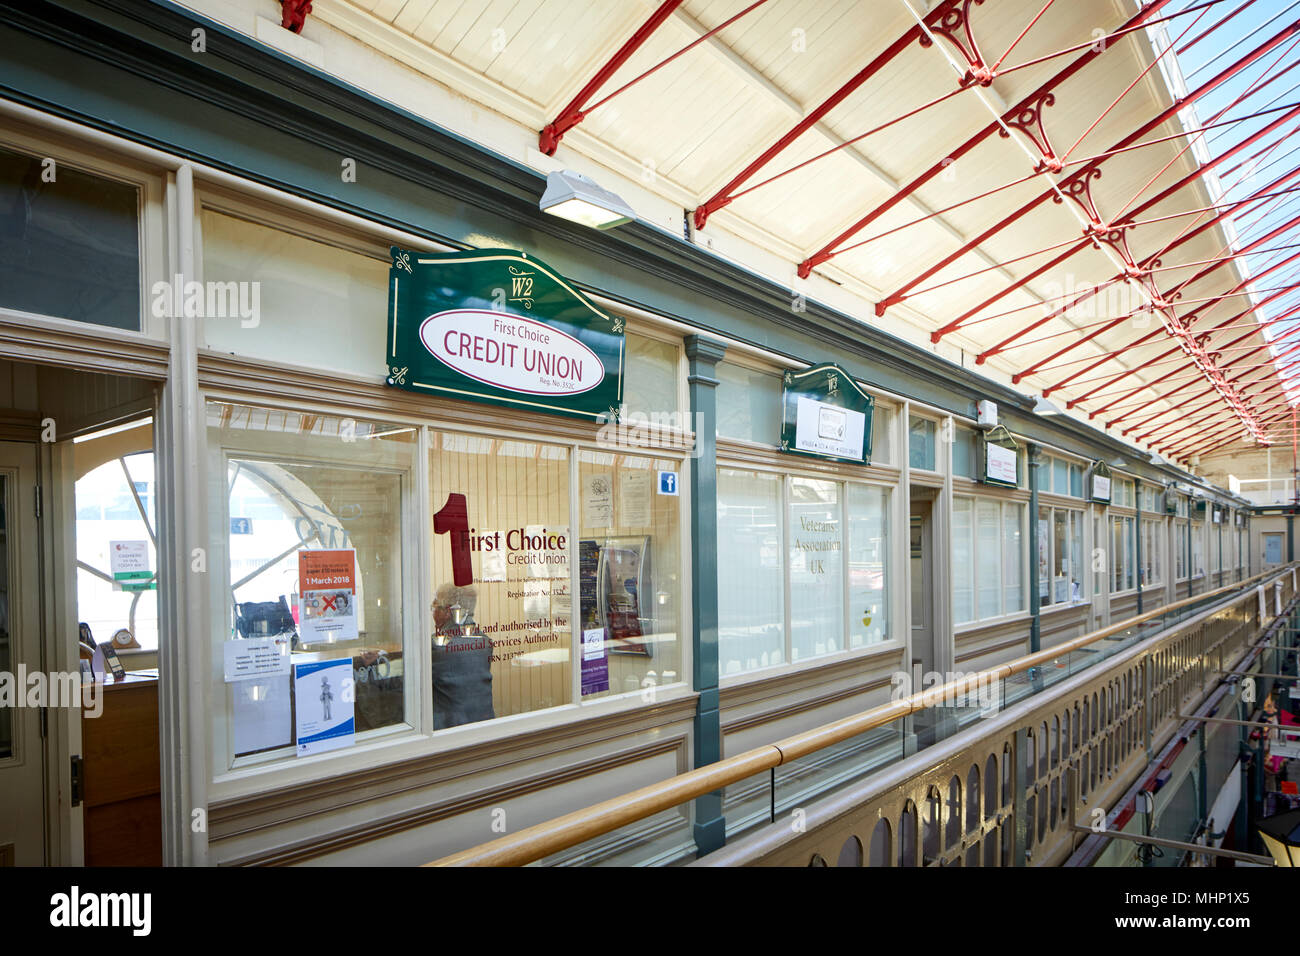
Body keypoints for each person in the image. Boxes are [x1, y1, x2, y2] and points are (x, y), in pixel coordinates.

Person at [431, 582, 494, 730]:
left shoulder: (436, 645)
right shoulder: (485, 642)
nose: (433, 613)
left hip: (451, 731)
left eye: (435, 608)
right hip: (485, 726)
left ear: (447, 612)